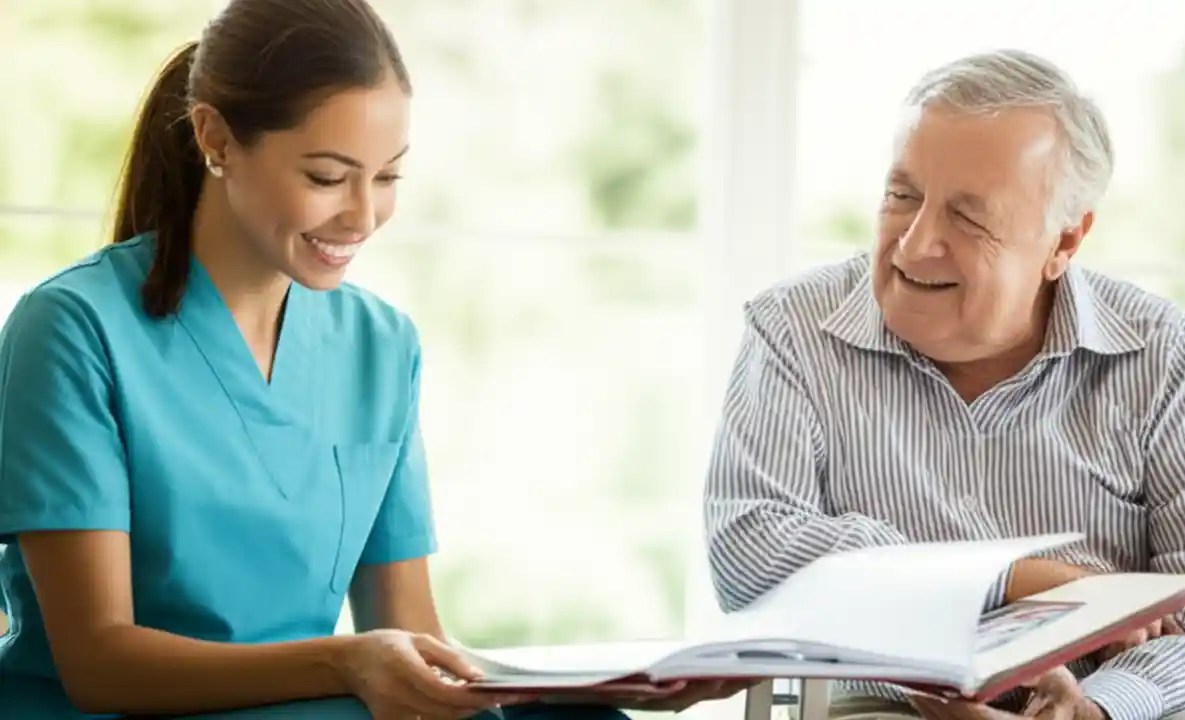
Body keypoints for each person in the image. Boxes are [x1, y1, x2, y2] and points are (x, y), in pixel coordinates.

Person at [0, 1, 740, 718]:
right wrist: (344, 660)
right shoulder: (73, 330)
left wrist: (603, 683)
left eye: (387, 178)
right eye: (327, 177)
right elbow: (99, 664)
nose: (362, 216)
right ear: (216, 140)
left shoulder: (381, 346)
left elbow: (411, 635)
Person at [703, 49, 1185, 720]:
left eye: (967, 218)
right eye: (902, 197)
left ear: (1065, 241)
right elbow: (748, 546)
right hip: (893, 702)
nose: (914, 245)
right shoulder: (793, 328)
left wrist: (1095, 706)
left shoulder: (1161, 351)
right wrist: (1016, 583)